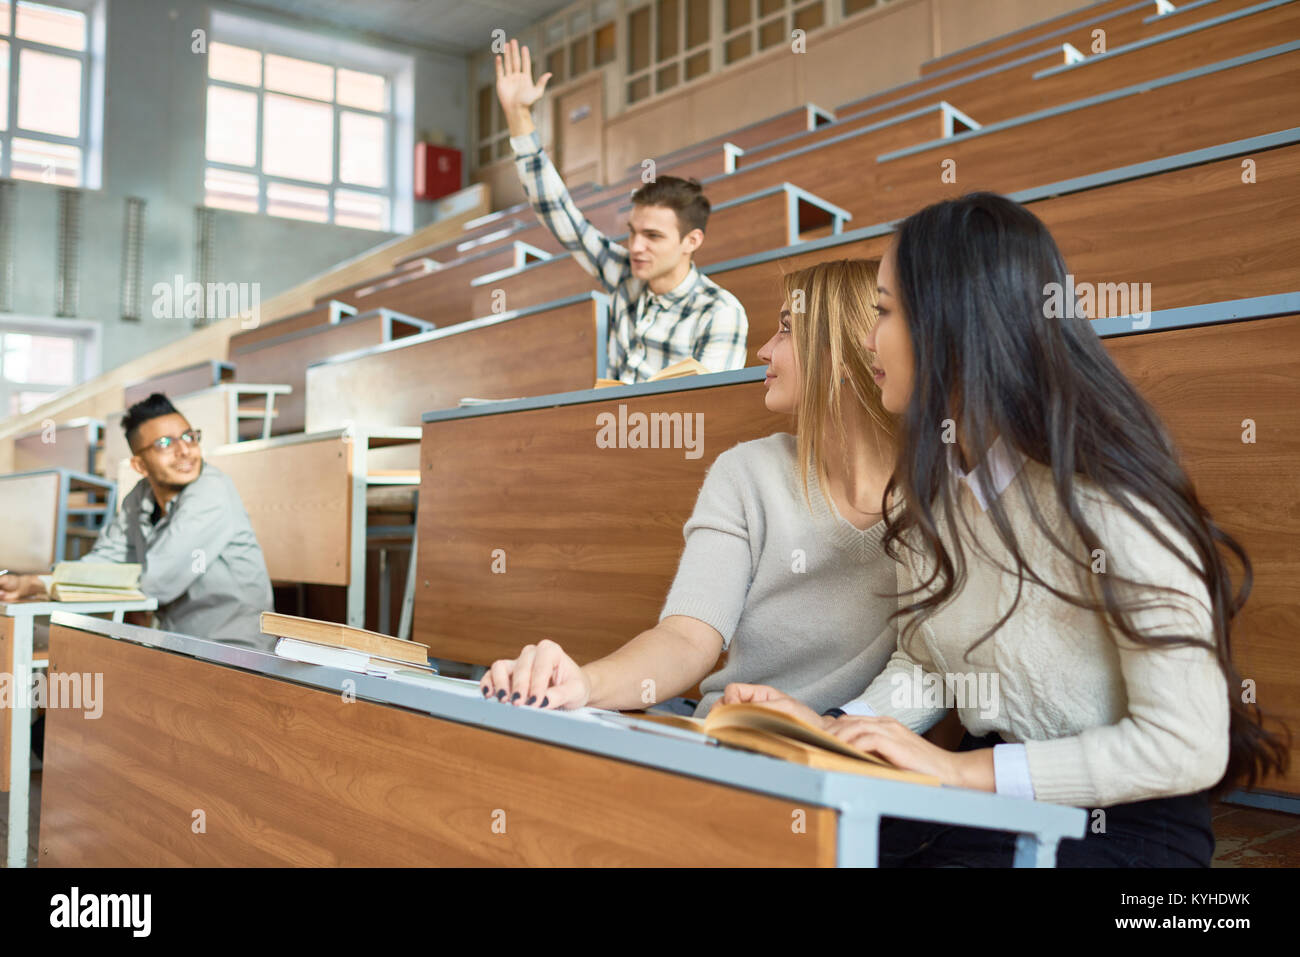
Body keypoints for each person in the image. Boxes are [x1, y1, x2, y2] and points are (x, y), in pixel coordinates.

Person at [723, 192, 1290, 867]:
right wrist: (834, 728)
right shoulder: (932, 487)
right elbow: (930, 662)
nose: (868, 339)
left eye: (883, 312)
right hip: (990, 790)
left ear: (954, 322)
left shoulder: (1110, 497)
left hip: (1124, 823)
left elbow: (1186, 746)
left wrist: (962, 774)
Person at [479, 259, 899, 716]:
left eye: (785, 331)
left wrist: (840, 730)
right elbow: (686, 637)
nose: (762, 350)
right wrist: (585, 683)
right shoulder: (745, 472)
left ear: (838, 350)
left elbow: (929, 669)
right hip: (729, 736)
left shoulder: (938, 493)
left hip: (852, 761)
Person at [495, 38, 748, 383]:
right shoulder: (623, 274)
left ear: (692, 240)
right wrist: (517, 114)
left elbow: (711, 414)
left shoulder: (720, 312)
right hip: (610, 429)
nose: (635, 246)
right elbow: (557, 211)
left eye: (653, 236)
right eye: (633, 232)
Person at [0, 393, 275, 650]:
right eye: (165, 443)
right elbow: (106, 558)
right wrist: (33, 583)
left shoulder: (212, 491)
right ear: (140, 466)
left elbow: (157, 583)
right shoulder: (140, 497)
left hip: (233, 650)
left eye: (189, 437)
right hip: (178, 643)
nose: (184, 451)